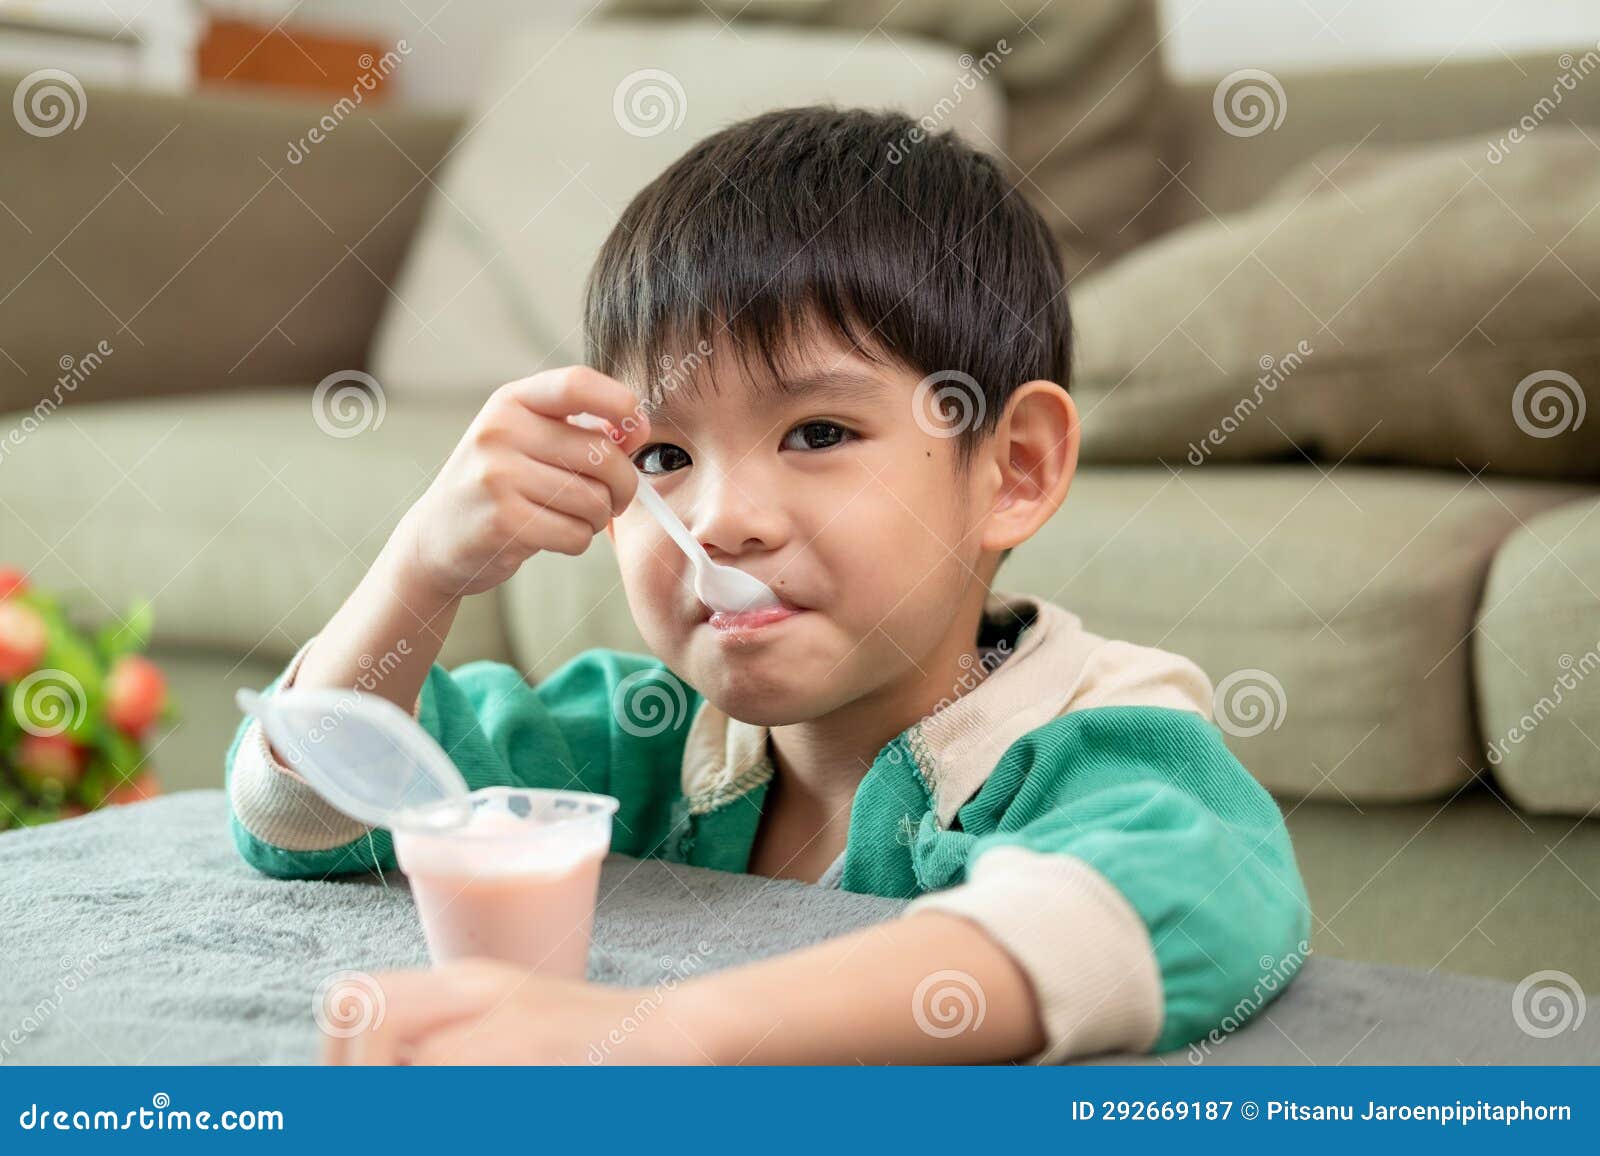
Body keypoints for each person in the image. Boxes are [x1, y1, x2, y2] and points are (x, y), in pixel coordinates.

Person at [226, 105, 1310, 1065]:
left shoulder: (1097, 740)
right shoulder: (636, 738)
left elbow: (1158, 908)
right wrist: (421, 568)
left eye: (818, 432)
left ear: (1013, 468)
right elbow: (304, 815)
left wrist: (668, 1036)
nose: (718, 519)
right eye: (662, 457)